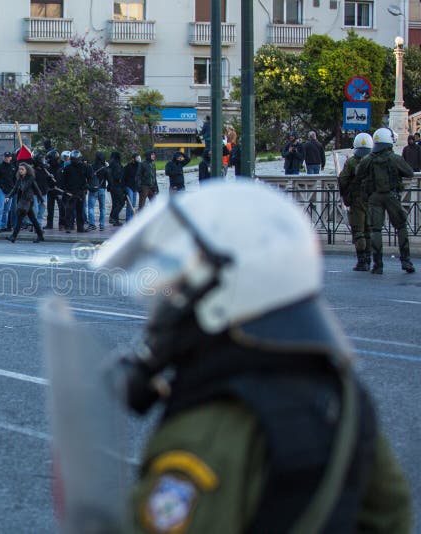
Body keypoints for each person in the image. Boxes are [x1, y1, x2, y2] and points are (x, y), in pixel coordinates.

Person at [86, 181, 412, 533]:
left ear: (230, 295)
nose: (165, 308)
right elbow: (390, 513)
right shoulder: (344, 394)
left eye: (181, 289)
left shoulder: (212, 426)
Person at [356, 127, 415, 274]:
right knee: (401, 226)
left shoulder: (368, 158)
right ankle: (405, 260)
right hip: (391, 196)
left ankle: (378, 265)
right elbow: (409, 172)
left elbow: (358, 173)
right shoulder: (394, 158)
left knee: (376, 229)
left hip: (374, 197)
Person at [338, 133, 373, 271]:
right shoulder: (373, 161)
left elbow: (343, 179)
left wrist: (345, 195)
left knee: (358, 231)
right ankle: (369, 259)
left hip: (357, 200)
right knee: (368, 231)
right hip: (371, 199)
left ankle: (361, 261)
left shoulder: (352, 162)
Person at [7, 162, 45, 243]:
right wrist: (8, 196)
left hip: (28, 201)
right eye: (19, 169)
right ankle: (40, 235)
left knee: (20, 218)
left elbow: (36, 189)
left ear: (26, 170)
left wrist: (42, 200)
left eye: (22, 169)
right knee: (33, 219)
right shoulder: (19, 179)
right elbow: (15, 189)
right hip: (22, 201)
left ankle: (13, 236)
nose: (20, 171)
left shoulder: (30, 178)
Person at [62, 150, 90, 233]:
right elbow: (64, 180)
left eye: (76, 159)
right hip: (70, 192)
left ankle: (80, 227)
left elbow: (89, 178)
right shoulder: (67, 168)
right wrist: (66, 191)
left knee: (80, 211)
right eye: (73, 159)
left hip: (81, 192)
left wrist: (87, 187)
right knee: (69, 211)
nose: (75, 160)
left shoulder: (85, 167)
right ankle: (68, 227)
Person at [0, 151, 16, 233]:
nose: (6, 158)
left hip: (10, 191)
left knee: (7, 209)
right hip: (1, 189)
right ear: (3, 157)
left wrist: (14, 189)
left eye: (8, 156)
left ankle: (3, 226)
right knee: (0, 209)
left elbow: (14, 180)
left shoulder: (13, 168)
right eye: (5, 156)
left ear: (11, 158)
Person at [88, 152, 109, 231]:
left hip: (93, 189)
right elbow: (109, 178)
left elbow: (88, 177)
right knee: (102, 208)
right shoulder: (104, 168)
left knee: (91, 207)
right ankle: (102, 225)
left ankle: (92, 224)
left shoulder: (91, 167)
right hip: (102, 189)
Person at [107, 151, 125, 227]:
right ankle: (113, 216)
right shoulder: (117, 165)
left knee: (115, 203)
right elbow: (118, 176)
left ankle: (116, 221)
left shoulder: (110, 164)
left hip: (111, 186)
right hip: (117, 186)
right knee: (121, 202)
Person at [122, 153, 140, 221]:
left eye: (139, 158)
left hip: (135, 187)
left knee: (134, 204)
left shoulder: (139, 166)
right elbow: (123, 177)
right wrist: (124, 188)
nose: (138, 159)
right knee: (130, 203)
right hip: (129, 186)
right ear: (133, 159)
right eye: (137, 158)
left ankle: (132, 219)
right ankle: (128, 219)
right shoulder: (128, 167)